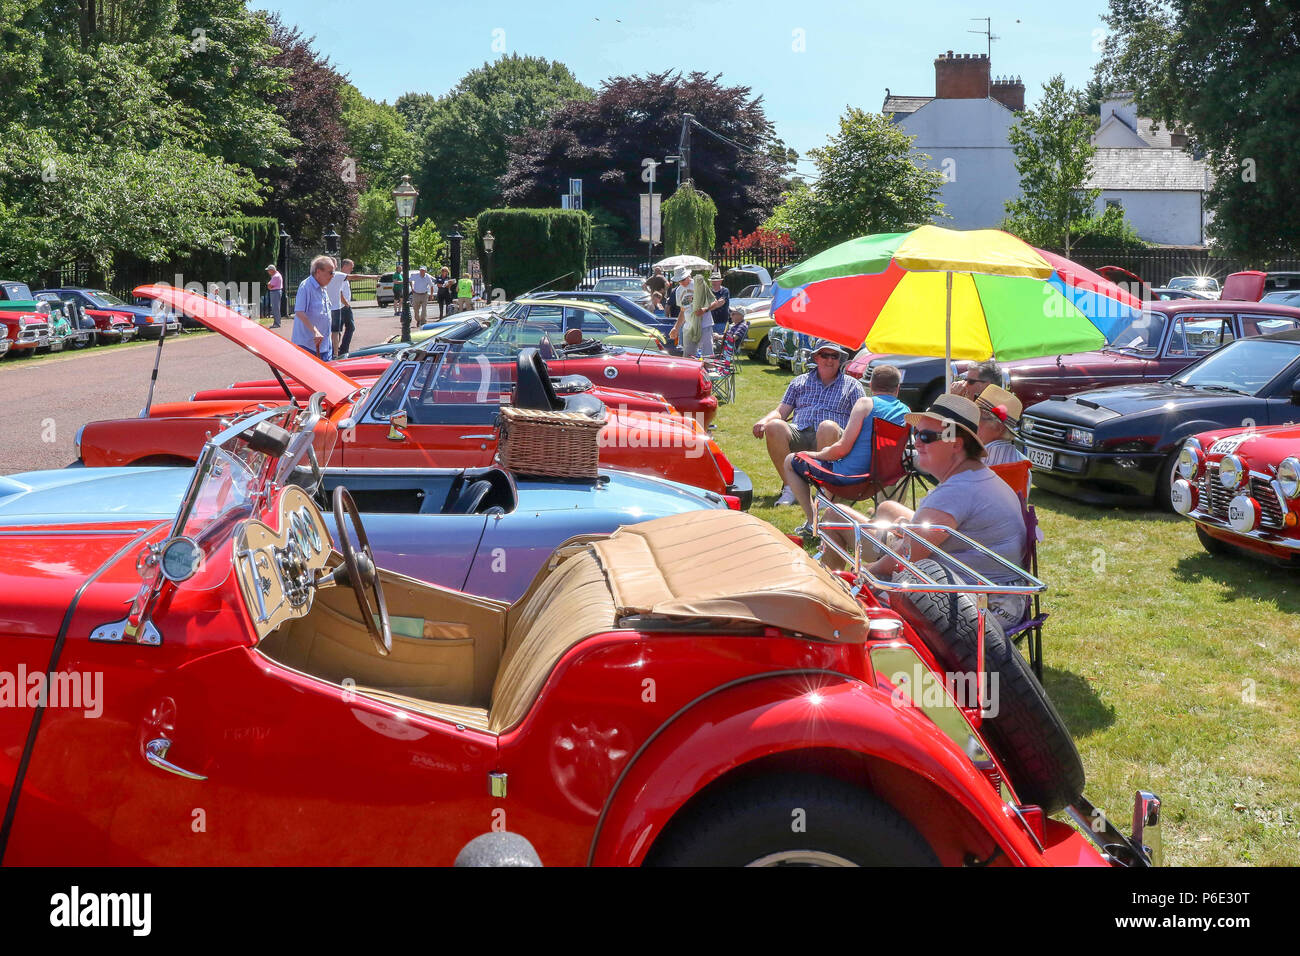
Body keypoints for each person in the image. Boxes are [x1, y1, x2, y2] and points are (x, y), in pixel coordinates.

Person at [855, 393, 1029, 629]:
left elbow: (903, 560)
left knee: (852, 599)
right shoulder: (978, 477)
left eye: (926, 436)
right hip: (1002, 597)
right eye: (915, 434)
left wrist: (857, 576)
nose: (916, 442)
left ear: (956, 444)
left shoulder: (956, 490)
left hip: (983, 605)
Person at [784, 364, 907, 534]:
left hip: (848, 478)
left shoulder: (865, 404)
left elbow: (841, 449)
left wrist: (813, 454)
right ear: (898, 388)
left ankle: (813, 521)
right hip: (880, 480)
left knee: (790, 460)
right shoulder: (905, 411)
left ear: (870, 386)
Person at [753, 340, 866, 505]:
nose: (829, 360)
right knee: (774, 425)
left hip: (834, 438)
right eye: (825, 355)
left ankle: (825, 492)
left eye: (834, 356)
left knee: (826, 426)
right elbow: (781, 412)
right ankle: (791, 488)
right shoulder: (799, 381)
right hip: (801, 432)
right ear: (816, 357)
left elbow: (863, 416)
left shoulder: (852, 386)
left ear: (840, 359)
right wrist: (765, 420)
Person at [293, 255, 334, 361]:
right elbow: (299, 312)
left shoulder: (323, 287)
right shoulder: (306, 286)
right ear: (319, 272)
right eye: (330, 272)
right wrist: (315, 331)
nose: (333, 276)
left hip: (325, 346)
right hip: (308, 346)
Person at [974, 384, 1026, 467]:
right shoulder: (1023, 462)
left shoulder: (975, 461)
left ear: (999, 428)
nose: (973, 421)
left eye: (979, 417)